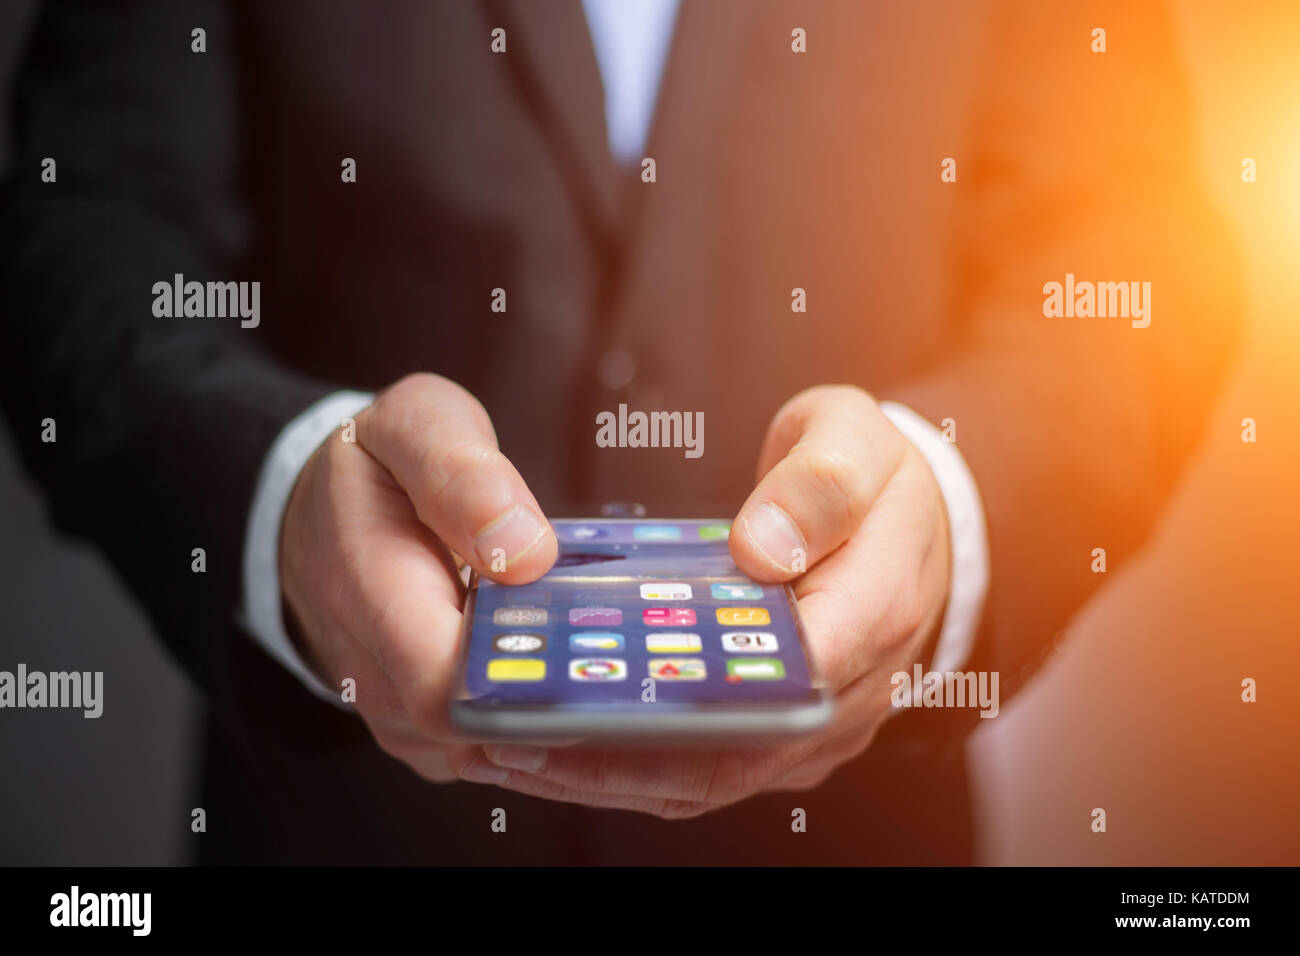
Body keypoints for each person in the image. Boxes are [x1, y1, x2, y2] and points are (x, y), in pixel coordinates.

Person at [0, 0, 1238, 863]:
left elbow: (1136, 249)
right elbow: (84, 230)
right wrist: (286, 512)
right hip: (352, 834)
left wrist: (950, 504)